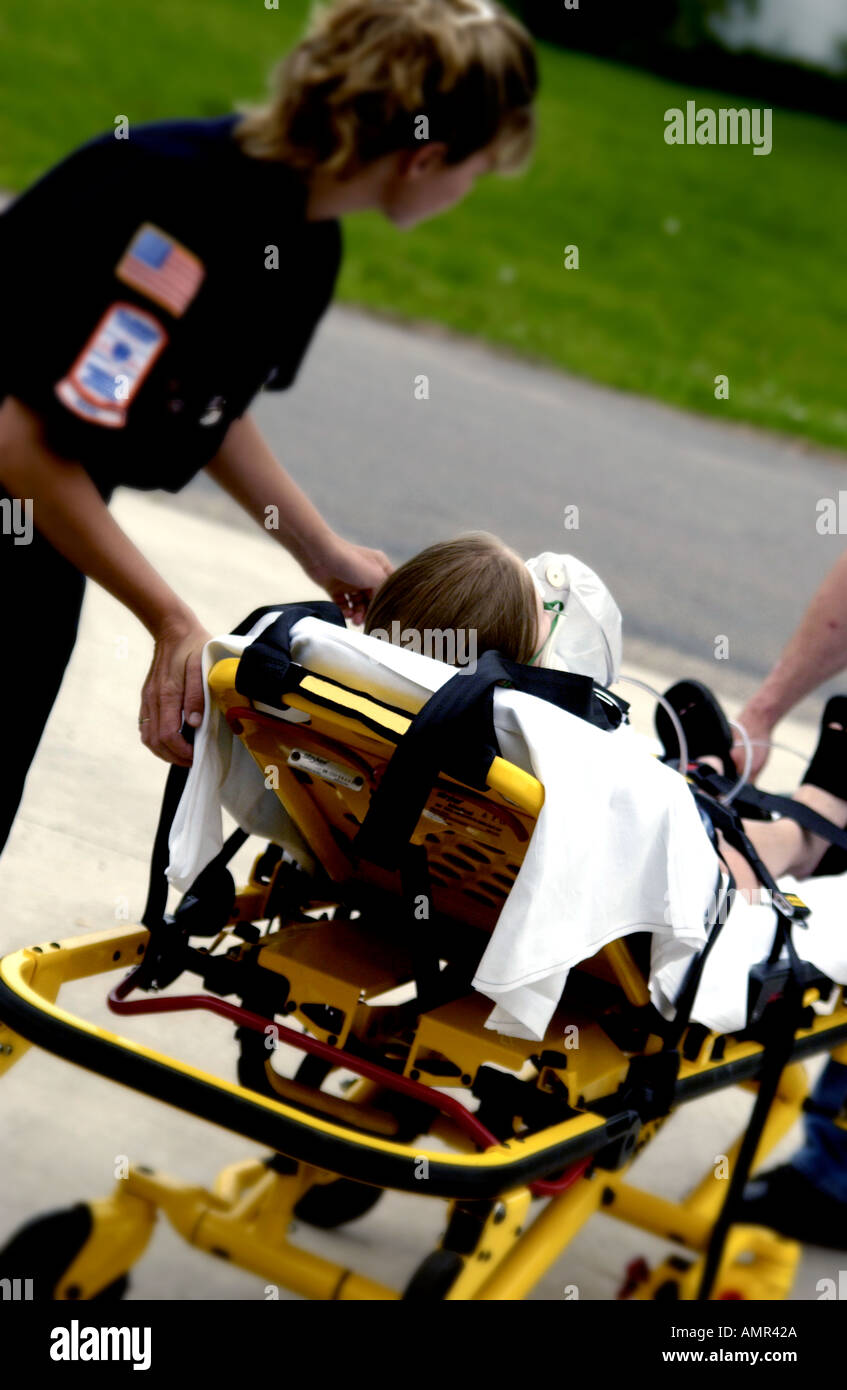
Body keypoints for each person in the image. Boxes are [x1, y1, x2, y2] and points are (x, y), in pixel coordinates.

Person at [0, 0, 538, 856]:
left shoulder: (303, 240)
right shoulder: (175, 200)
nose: (463, 191)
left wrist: (319, 549)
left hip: (41, 529)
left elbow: (205, 400)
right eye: (473, 170)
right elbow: (25, 444)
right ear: (425, 154)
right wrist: (170, 618)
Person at [364, 534, 847, 1246]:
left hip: (435, 884)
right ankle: (813, 822)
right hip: (601, 907)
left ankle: (708, 773)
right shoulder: (545, 743)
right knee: (704, 841)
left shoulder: (361, 701)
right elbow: (686, 888)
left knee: (661, 799)